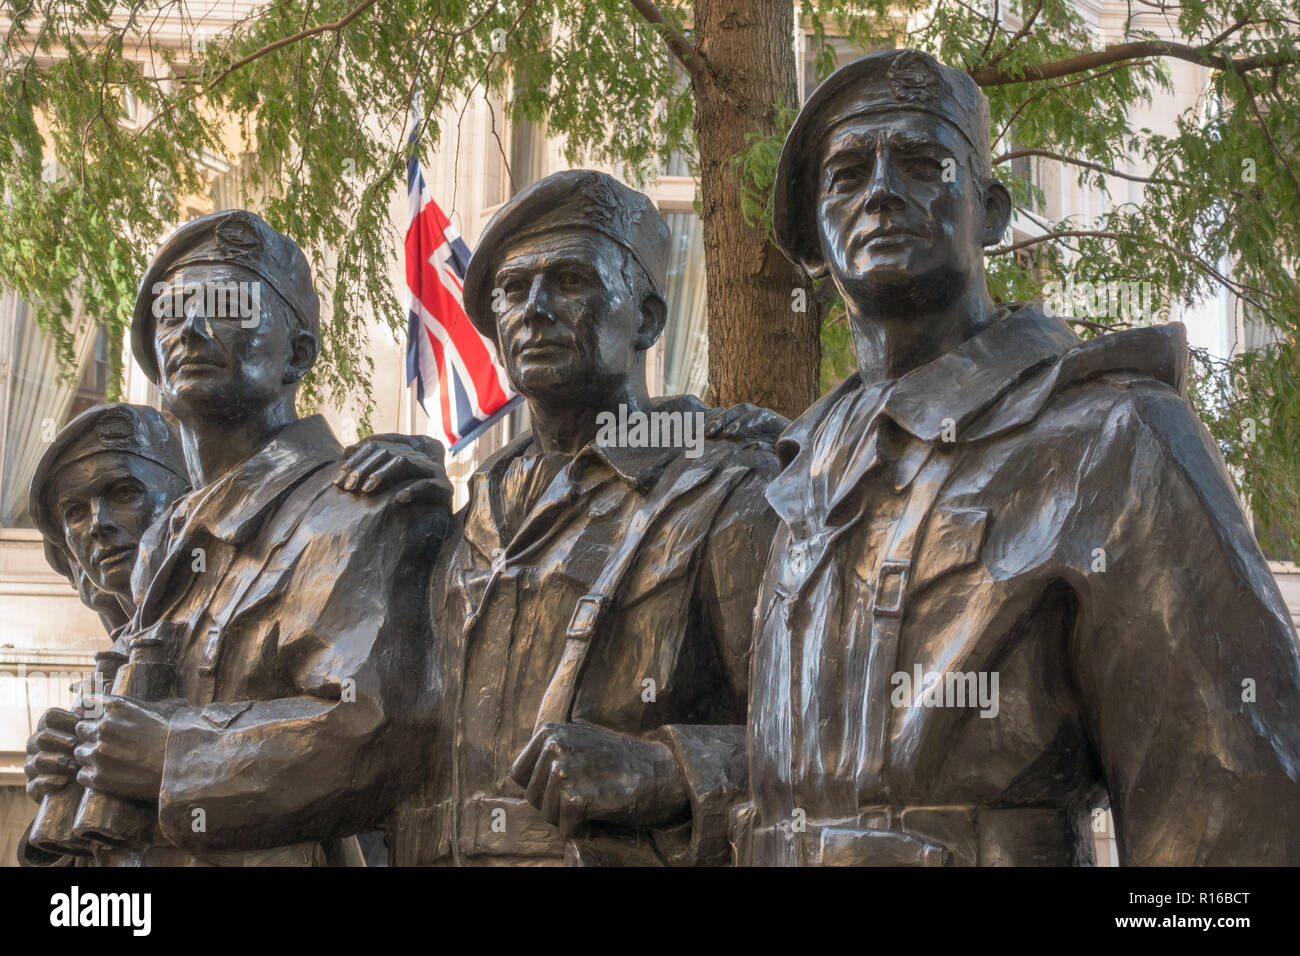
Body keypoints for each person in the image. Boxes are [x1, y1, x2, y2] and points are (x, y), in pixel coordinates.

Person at [732, 49, 1300, 866]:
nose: (881, 191)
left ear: (992, 212)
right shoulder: (805, 472)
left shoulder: (1113, 436)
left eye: (925, 164)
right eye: (847, 175)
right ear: (817, 241)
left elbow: (1228, 814)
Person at [384, 170, 783, 866]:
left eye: (570, 281)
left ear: (650, 319)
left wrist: (666, 769)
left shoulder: (725, 489)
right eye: (512, 290)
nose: (532, 309)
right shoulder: (463, 519)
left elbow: (820, 736)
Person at [69, 210, 448, 865]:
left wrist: (171, 752)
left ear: (297, 353)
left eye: (227, 304)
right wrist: (86, 747)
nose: (191, 325)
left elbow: (376, 731)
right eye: (172, 311)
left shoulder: (362, 505)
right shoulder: (165, 545)